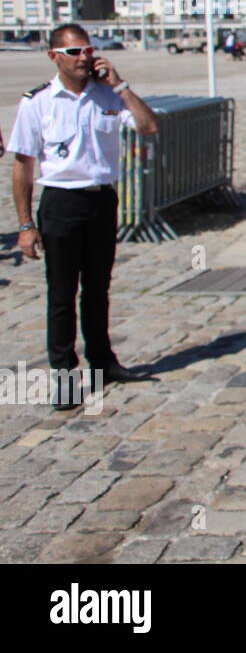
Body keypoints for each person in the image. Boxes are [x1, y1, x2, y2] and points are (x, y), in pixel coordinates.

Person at [9, 23, 160, 410]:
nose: (84, 58)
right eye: (74, 52)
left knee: (98, 290)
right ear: (54, 56)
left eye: (88, 51)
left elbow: (148, 126)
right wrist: (25, 225)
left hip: (101, 201)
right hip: (61, 203)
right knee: (62, 296)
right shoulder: (37, 101)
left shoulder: (106, 95)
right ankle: (64, 377)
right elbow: (23, 166)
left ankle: (103, 362)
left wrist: (122, 85)